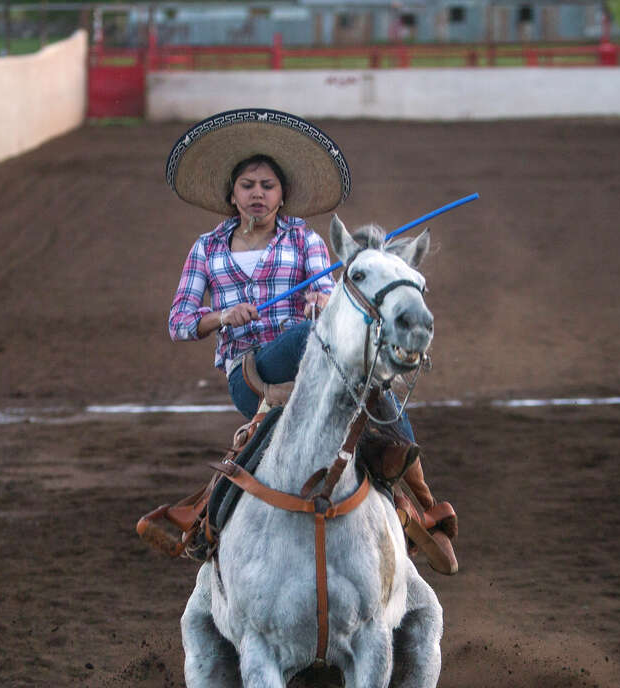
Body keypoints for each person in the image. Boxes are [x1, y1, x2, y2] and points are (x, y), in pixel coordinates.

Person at [165, 108, 455, 558]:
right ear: (232, 195)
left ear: (282, 196)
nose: (257, 194)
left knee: (357, 364)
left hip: (316, 369)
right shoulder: (206, 248)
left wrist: (321, 302)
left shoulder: (305, 240)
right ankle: (207, 522)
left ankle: (419, 498)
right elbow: (180, 321)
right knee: (310, 337)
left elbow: (327, 298)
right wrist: (222, 316)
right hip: (249, 376)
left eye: (267, 186)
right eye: (248, 185)